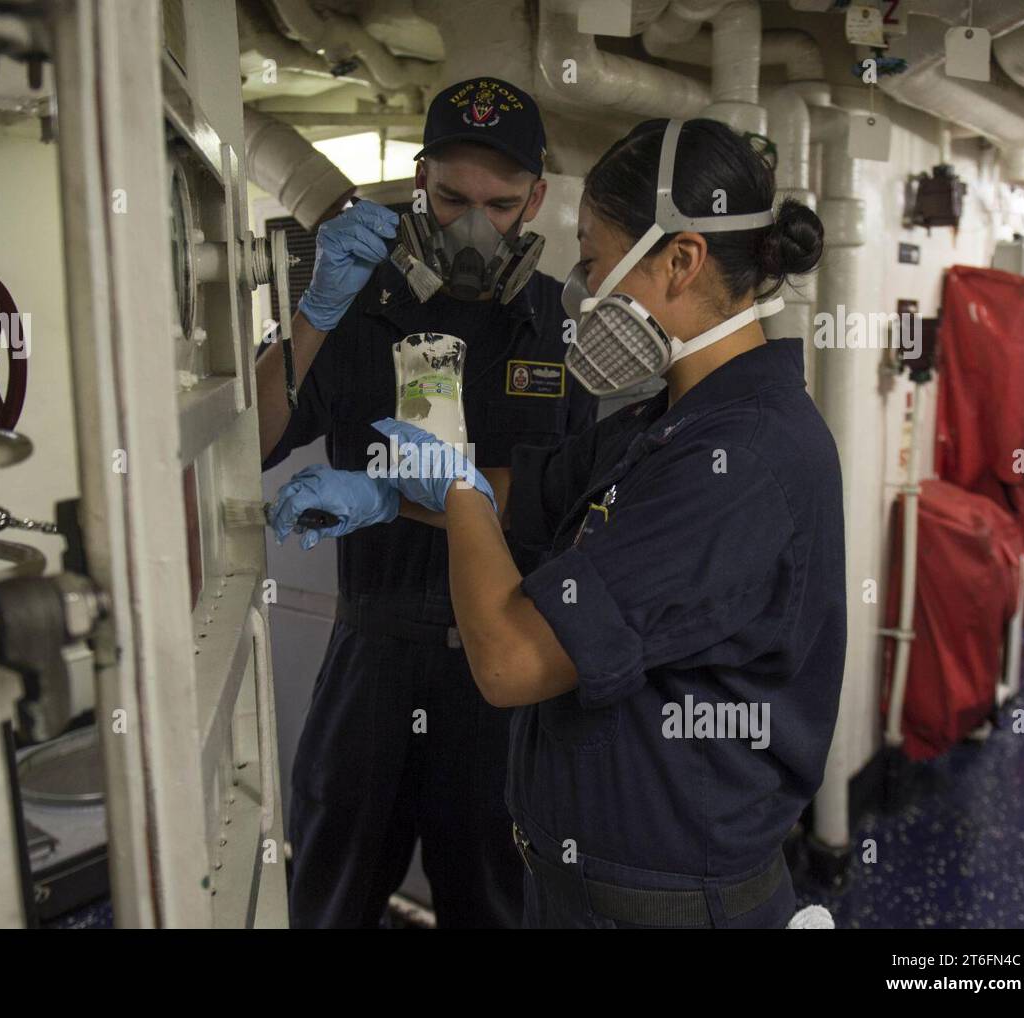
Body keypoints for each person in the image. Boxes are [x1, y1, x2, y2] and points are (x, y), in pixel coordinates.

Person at [270, 117, 846, 928]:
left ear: (680, 260)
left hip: (670, 900)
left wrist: (458, 490)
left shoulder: (741, 459)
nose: (583, 286)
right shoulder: (672, 418)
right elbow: (532, 492)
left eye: (596, 257)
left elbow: (507, 662)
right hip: (593, 884)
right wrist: (389, 493)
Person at [256, 77, 597, 928]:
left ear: (539, 202)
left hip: (502, 662)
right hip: (373, 646)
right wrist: (315, 312)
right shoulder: (362, 306)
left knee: (494, 899)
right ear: (418, 183)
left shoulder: (566, 325)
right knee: (330, 895)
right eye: (450, 198)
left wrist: (388, 495)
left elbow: (569, 500)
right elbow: (252, 438)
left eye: (501, 203)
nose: (474, 225)